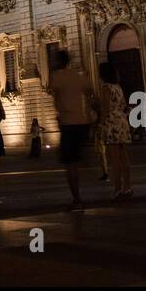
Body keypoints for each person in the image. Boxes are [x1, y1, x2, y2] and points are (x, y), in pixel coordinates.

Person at [49, 50, 98, 210]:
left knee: (70, 164)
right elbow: (91, 93)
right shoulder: (78, 76)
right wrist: (91, 112)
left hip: (68, 124)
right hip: (82, 122)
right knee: (78, 158)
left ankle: (77, 199)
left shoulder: (57, 77)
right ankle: (89, 173)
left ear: (58, 61)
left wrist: (60, 112)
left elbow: (55, 99)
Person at [97, 63, 132, 199]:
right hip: (122, 121)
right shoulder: (118, 87)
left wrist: (100, 126)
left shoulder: (106, 88)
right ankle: (128, 187)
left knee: (114, 159)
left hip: (111, 123)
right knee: (124, 157)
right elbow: (124, 106)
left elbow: (105, 109)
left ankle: (117, 188)